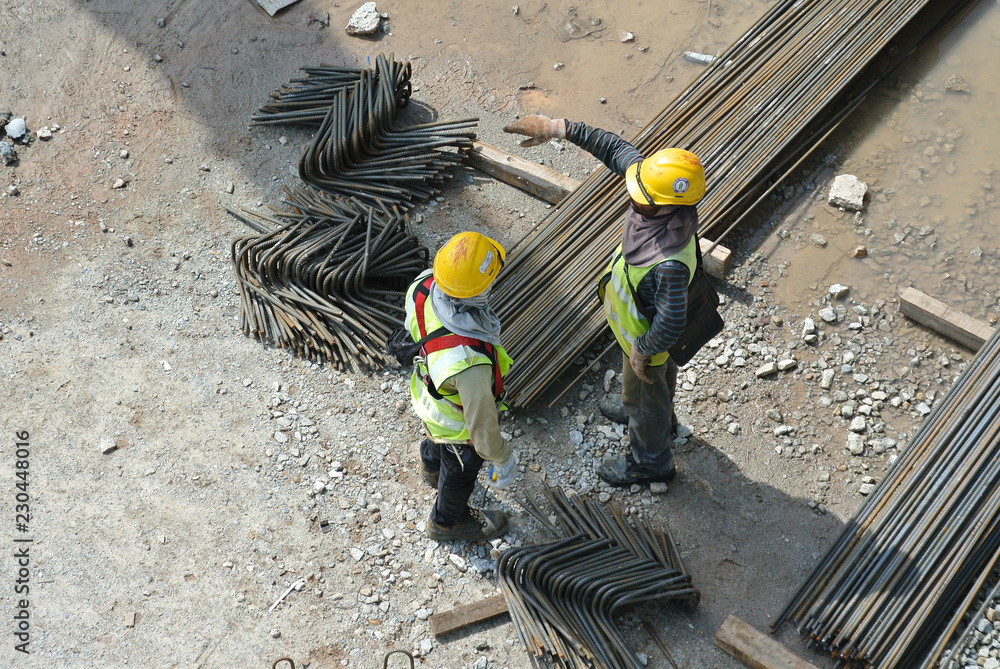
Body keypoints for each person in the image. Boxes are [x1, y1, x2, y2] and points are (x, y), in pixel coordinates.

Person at [504, 115, 705, 487]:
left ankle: (651, 461)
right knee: (653, 387)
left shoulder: (669, 263)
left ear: (667, 205)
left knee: (646, 388)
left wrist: (643, 351)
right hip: (638, 326)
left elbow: (672, 322)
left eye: (642, 201)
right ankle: (654, 410)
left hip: (646, 342)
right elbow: (615, 149)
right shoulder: (658, 196)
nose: (633, 199)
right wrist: (557, 128)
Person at [403, 231, 518, 541]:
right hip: (456, 424)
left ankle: (431, 467)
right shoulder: (470, 362)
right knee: (462, 466)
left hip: (428, 396)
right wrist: (502, 456)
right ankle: (447, 522)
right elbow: (481, 428)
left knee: (434, 438)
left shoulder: (423, 285)